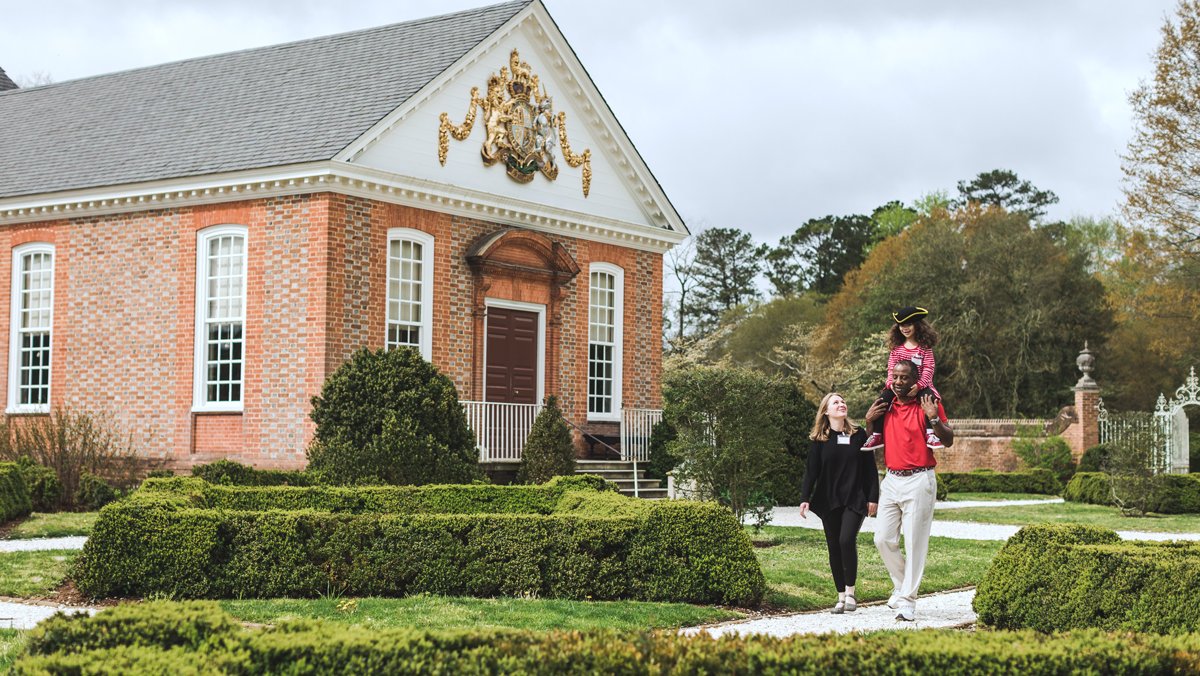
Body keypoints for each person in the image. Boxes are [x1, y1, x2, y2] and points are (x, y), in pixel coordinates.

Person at [865, 359, 954, 622]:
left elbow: (947, 440)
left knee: (914, 542)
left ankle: (908, 601)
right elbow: (873, 436)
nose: (899, 381)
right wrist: (869, 420)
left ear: (915, 380)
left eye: (905, 377)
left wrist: (934, 419)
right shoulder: (887, 405)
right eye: (896, 376)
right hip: (891, 479)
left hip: (919, 479)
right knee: (882, 538)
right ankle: (903, 585)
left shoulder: (927, 403)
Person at [798, 392, 880, 614]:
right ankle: (841, 596)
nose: (841, 404)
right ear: (826, 411)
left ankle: (851, 592)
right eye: (836, 402)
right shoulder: (819, 440)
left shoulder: (859, 435)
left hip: (855, 498)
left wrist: (873, 497)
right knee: (833, 546)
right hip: (829, 499)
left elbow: (870, 470)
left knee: (846, 540)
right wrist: (805, 498)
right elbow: (811, 472)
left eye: (843, 401)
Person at [862, 306, 942, 452]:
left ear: (918, 326)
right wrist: (890, 384)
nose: (905, 328)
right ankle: (877, 435)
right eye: (901, 325)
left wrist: (919, 385)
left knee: (928, 400)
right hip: (898, 386)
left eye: (908, 324)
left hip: (921, 386)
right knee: (882, 401)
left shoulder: (924, 347)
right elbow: (891, 369)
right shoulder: (897, 348)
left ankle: (930, 435)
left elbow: (929, 368)